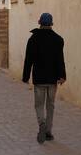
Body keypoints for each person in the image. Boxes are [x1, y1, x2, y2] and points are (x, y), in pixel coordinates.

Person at [22, 12, 66, 144]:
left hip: (39, 79)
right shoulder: (58, 39)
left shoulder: (33, 39)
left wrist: (25, 76)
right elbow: (60, 60)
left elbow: (28, 60)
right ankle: (48, 131)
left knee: (39, 104)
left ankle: (41, 123)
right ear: (51, 24)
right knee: (50, 105)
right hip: (53, 79)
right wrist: (62, 76)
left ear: (39, 22)